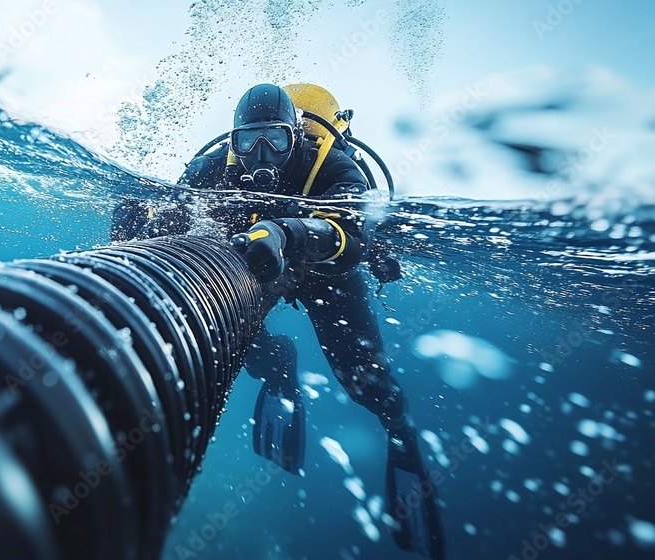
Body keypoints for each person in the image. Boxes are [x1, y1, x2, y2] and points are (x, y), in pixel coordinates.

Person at [111, 83, 445, 559]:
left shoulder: (332, 165)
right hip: (255, 258)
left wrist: (289, 232)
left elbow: (351, 238)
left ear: (298, 137)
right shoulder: (212, 168)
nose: (260, 153)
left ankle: (401, 432)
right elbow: (177, 215)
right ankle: (280, 364)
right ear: (232, 142)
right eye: (248, 141)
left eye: (276, 140)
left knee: (362, 379)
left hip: (327, 274)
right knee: (233, 334)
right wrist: (139, 222)